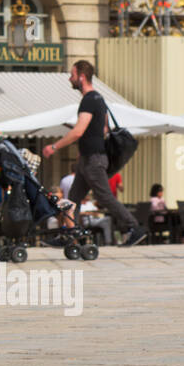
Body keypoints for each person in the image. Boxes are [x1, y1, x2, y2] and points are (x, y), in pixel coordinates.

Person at [42, 61, 147, 246]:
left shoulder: (89, 100)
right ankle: (69, 233)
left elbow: (78, 131)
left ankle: (133, 227)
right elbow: (104, 129)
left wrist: (54, 147)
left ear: (82, 77)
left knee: (104, 196)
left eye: (72, 75)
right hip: (88, 158)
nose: (70, 79)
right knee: (73, 199)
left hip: (93, 159)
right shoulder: (99, 99)